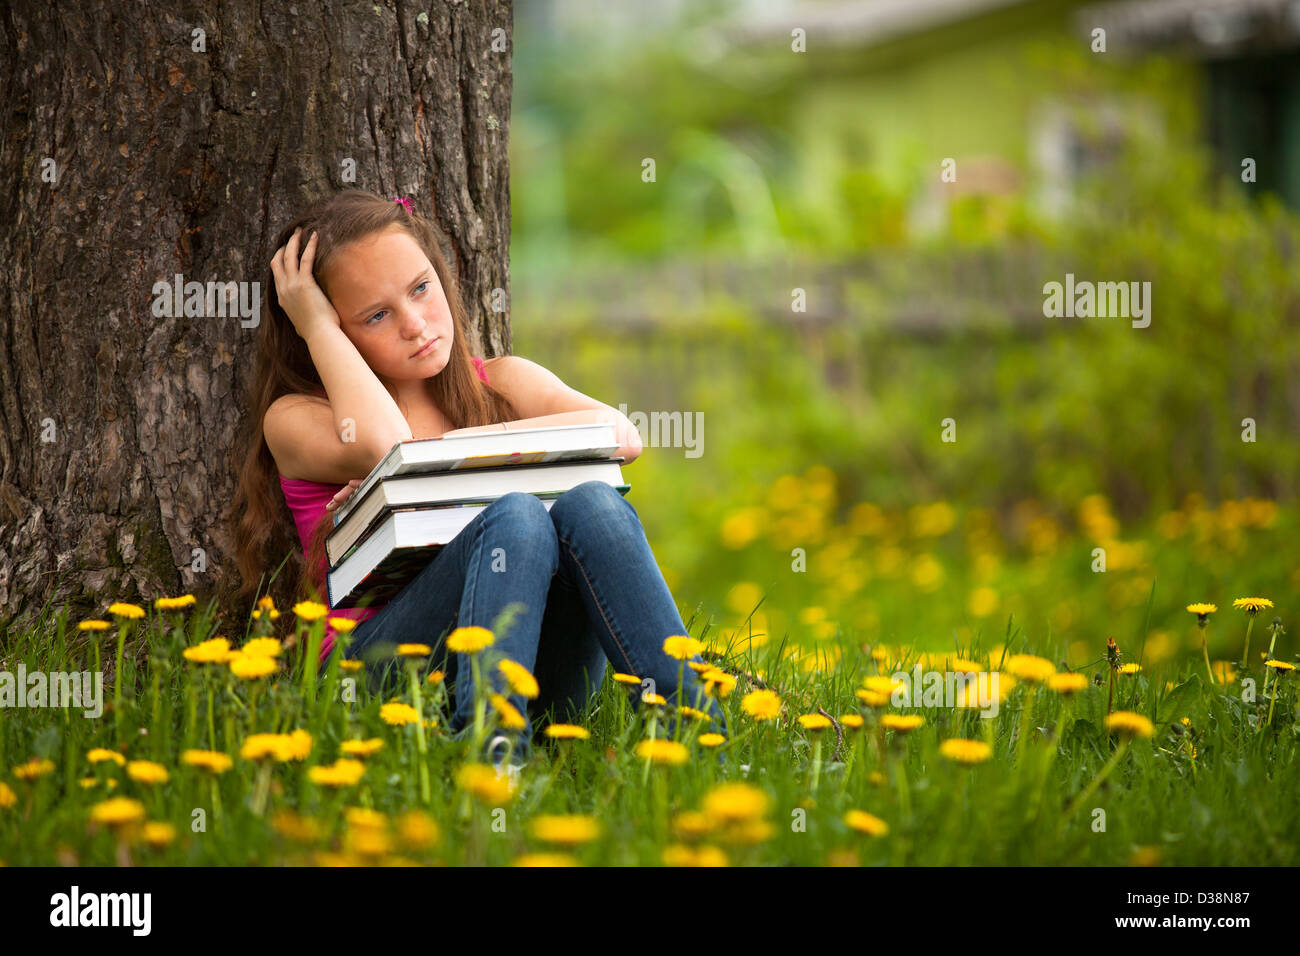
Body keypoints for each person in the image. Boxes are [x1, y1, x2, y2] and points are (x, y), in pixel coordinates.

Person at [228, 189, 728, 767]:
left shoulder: (502, 383)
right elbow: (388, 445)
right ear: (334, 332)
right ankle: (493, 761)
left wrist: (455, 456)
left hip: (536, 669)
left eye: (421, 289)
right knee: (516, 514)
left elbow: (620, 436)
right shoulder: (297, 419)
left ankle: (699, 741)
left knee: (593, 502)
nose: (415, 325)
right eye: (377, 315)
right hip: (382, 680)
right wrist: (315, 323)